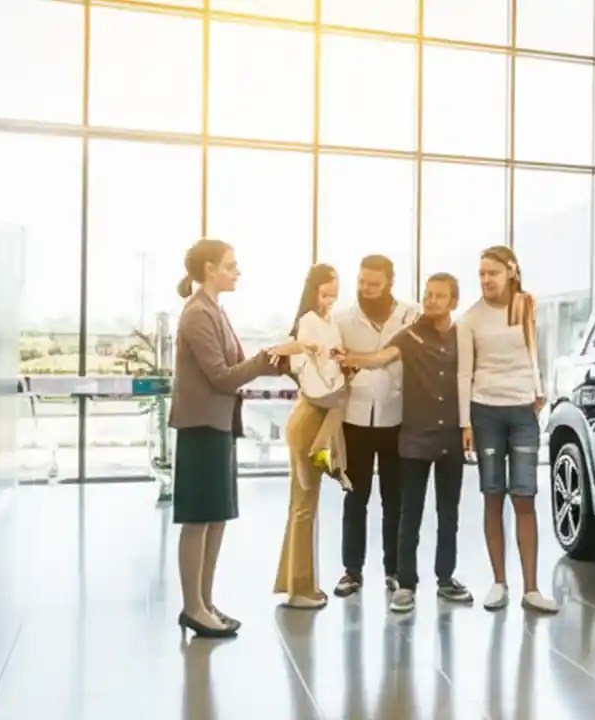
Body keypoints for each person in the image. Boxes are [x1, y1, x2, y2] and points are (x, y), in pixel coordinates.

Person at [170, 238, 302, 638]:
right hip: (202, 426)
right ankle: (193, 607)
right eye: (230, 265)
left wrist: (280, 362)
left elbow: (234, 367)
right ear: (209, 268)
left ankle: (205, 603)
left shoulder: (215, 312)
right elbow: (222, 376)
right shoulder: (197, 315)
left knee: (217, 518)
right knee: (198, 519)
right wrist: (268, 357)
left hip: (220, 424)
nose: (237, 271)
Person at [343, 273, 473, 613]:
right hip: (414, 439)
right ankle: (406, 584)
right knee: (409, 514)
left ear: (453, 302)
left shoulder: (465, 336)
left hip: (451, 441)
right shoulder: (410, 334)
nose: (430, 301)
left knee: (449, 513)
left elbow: (477, 378)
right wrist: (342, 356)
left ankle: (446, 578)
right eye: (428, 295)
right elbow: (378, 358)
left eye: (439, 296)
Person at [458, 246, 558, 613]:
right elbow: (463, 373)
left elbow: (536, 350)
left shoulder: (525, 305)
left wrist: (539, 389)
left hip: (522, 413)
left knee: (524, 497)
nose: (485, 280)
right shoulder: (469, 319)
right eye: (481, 273)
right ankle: (499, 583)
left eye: (492, 273)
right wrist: (464, 422)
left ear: (511, 272)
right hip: (485, 413)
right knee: (493, 495)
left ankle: (531, 589)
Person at [333, 255, 420, 598]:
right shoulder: (343, 319)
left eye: (374, 283)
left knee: (394, 499)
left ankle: (394, 570)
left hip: (397, 418)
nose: (366, 289)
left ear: (389, 282)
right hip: (354, 420)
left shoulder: (410, 315)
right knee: (355, 497)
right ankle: (351, 571)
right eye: (362, 282)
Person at [274, 264, 348, 610]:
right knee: (303, 505)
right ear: (313, 291)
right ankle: (299, 588)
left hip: (324, 416)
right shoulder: (308, 322)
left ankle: (298, 582)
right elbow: (307, 369)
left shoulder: (330, 322)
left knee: (306, 504)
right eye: (325, 293)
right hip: (310, 417)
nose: (330, 300)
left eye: (334, 293)